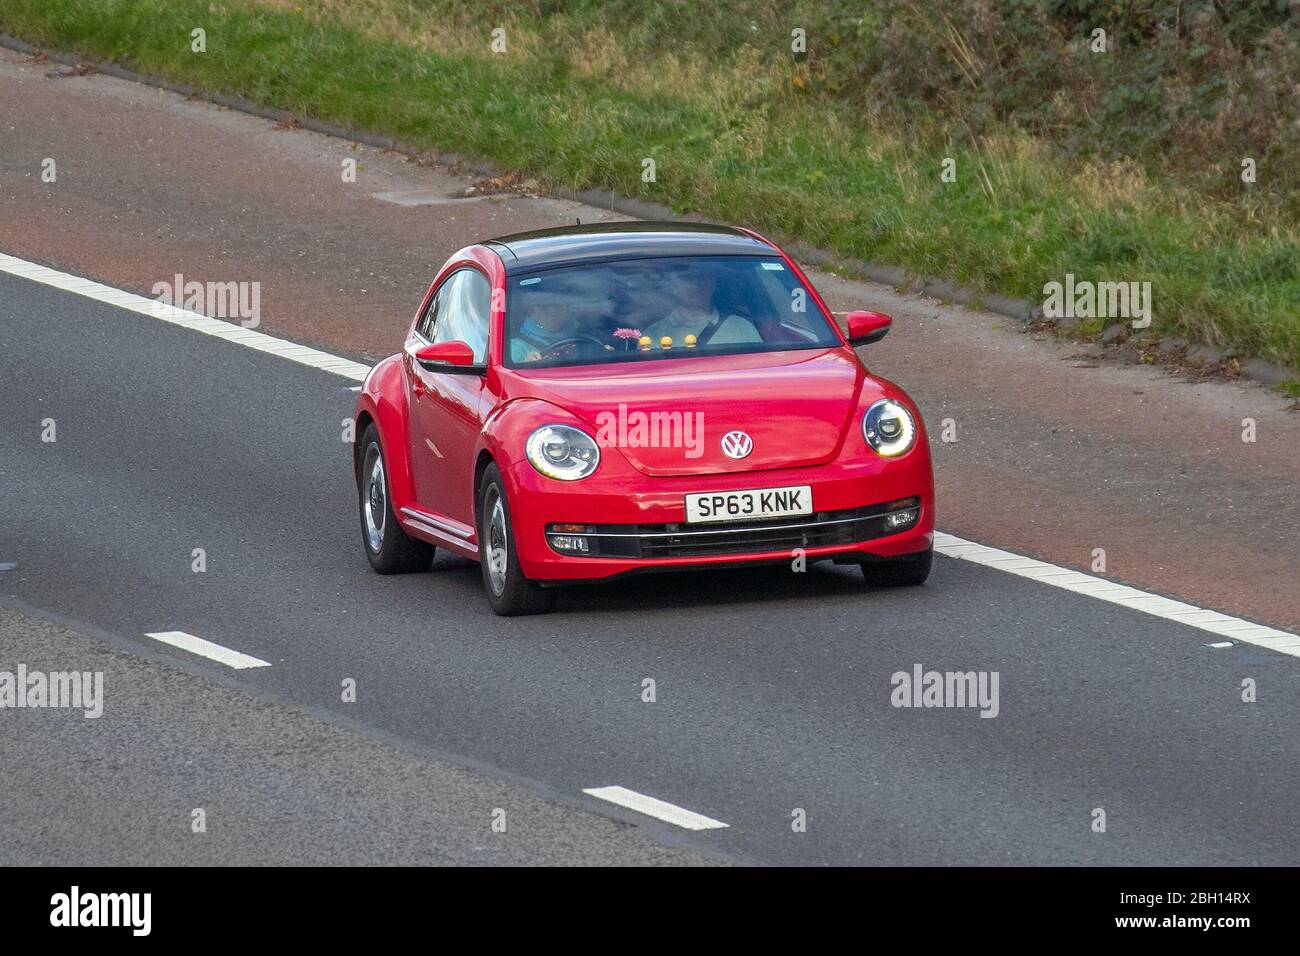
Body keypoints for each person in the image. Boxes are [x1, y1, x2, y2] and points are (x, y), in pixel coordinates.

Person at [641, 269, 761, 347]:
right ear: (672, 285)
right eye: (687, 278)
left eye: (703, 276)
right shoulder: (654, 334)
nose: (697, 284)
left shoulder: (743, 327)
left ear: (713, 283)